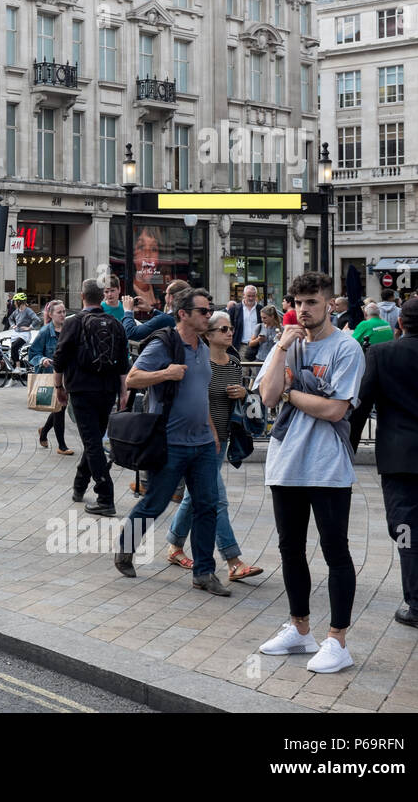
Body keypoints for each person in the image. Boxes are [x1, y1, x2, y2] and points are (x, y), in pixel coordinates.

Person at [256, 271, 364, 674]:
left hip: (327, 466)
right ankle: (300, 629)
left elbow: (336, 409)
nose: (303, 310)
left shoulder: (347, 348)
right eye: (297, 303)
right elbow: (267, 397)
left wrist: (289, 392)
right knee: (290, 549)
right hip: (285, 463)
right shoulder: (285, 345)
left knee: (336, 550)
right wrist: (281, 349)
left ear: (330, 304)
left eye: (312, 302)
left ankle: (337, 639)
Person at [113, 288, 227, 595]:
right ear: (183, 314)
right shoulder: (164, 344)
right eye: (203, 311)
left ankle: (204, 573)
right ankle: (125, 546)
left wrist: (213, 431)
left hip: (202, 443)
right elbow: (133, 378)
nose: (209, 315)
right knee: (155, 503)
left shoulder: (203, 347)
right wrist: (165, 373)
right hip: (170, 443)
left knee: (207, 506)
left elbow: (200, 396)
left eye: (209, 310)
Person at [350, 298, 418, 633]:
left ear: (400, 325)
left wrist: (345, 450)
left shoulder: (381, 355)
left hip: (403, 458)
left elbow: (360, 406)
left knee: (407, 528)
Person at [162, 310, 263, 583]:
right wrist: (210, 432)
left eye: (230, 329)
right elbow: (194, 400)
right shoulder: (198, 361)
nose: (230, 333)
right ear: (208, 335)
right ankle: (233, 560)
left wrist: (244, 392)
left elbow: (242, 396)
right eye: (223, 329)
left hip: (223, 437)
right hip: (197, 439)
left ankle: (173, 544)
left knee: (194, 497)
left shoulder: (233, 362)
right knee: (217, 499)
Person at [53, 278, 129, 516]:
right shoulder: (116, 324)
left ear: (82, 297)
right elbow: (123, 363)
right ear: (101, 297)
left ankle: (105, 496)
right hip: (107, 390)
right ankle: (79, 485)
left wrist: (58, 387)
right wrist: (123, 392)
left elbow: (60, 356)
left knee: (92, 442)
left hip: (82, 388)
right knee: (93, 438)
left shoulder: (74, 323)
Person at [31, 301, 73, 456]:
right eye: (59, 312)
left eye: (64, 311)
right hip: (52, 375)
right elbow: (33, 354)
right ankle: (61, 446)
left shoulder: (69, 329)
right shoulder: (44, 332)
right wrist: (42, 360)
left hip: (68, 375)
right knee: (60, 409)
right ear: (51, 314)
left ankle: (44, 432)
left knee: (59, 407)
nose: (63, 315)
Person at [226, 285, 263, 355]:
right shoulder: (234, 310)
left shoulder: (261, 309)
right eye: (249, 296)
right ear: (244, 295)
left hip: (258, 348)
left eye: (253, 296)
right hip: (240, 347)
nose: (251, 298)